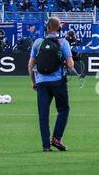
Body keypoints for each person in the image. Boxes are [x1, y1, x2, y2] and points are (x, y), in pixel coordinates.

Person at [29, 16, 75, 152]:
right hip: (58, 82)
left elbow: (30, 65)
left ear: (47, 28)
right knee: (63, 110)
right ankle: (56, 138)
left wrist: (33, 82)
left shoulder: (37, 42)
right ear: (59, 28)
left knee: (43, 114)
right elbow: (71, 65)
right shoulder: (63, 42)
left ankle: (46, 146)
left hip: (41, 82)